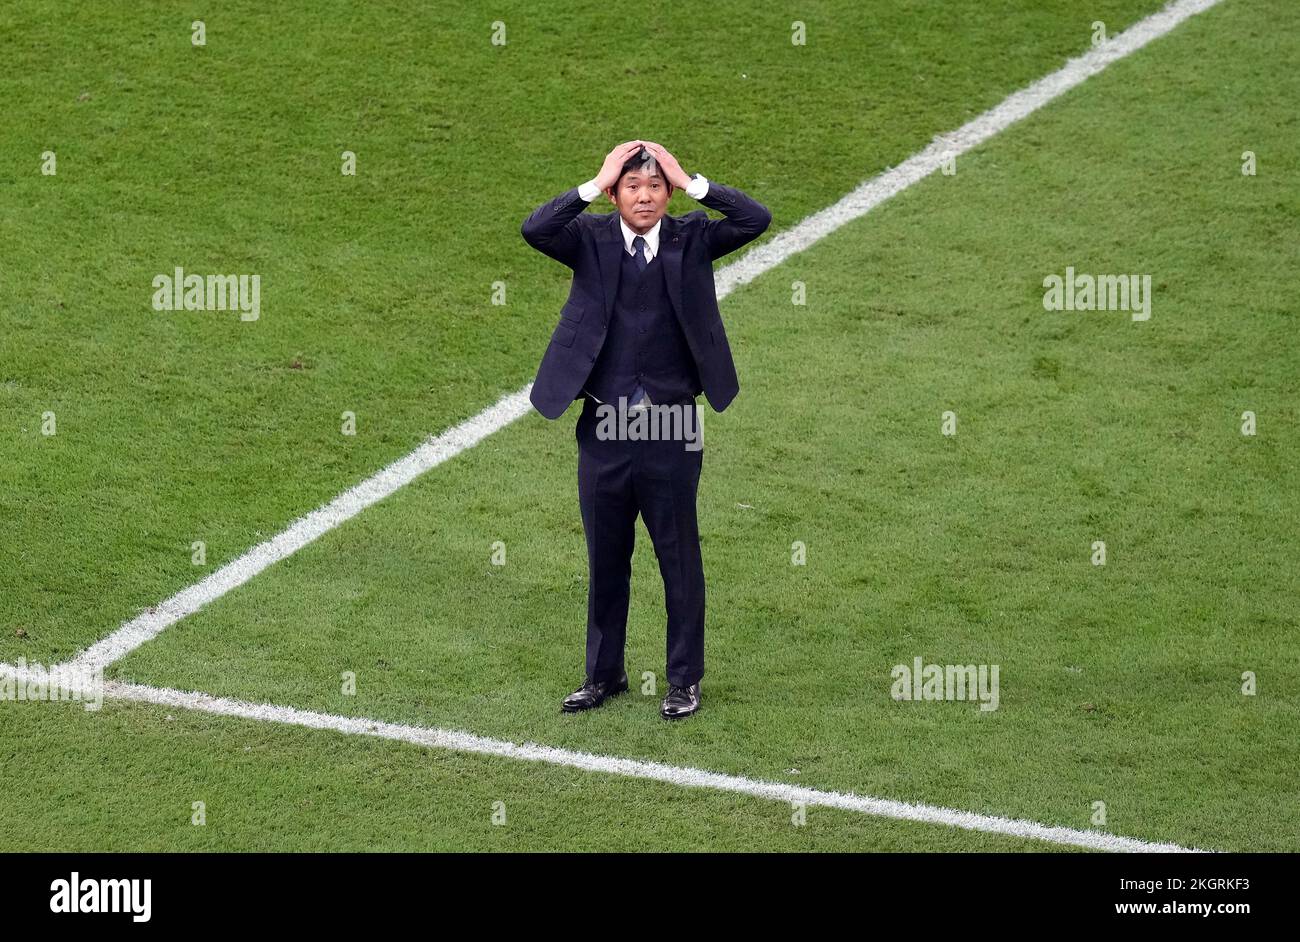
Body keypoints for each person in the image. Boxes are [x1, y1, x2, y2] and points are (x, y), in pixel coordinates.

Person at [521, 140, 771, 719]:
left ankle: (684, 680)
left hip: (672, 426)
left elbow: (755, 218)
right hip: (604, 425)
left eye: (655, 187)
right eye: (632, 186)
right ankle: (603, 675)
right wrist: (592, 181)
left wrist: (692, 182)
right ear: (615, 194)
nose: (645, 196)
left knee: (678, 556)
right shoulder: (590, 239)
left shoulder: (694, 238)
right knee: (607, 557)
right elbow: (535, 229)